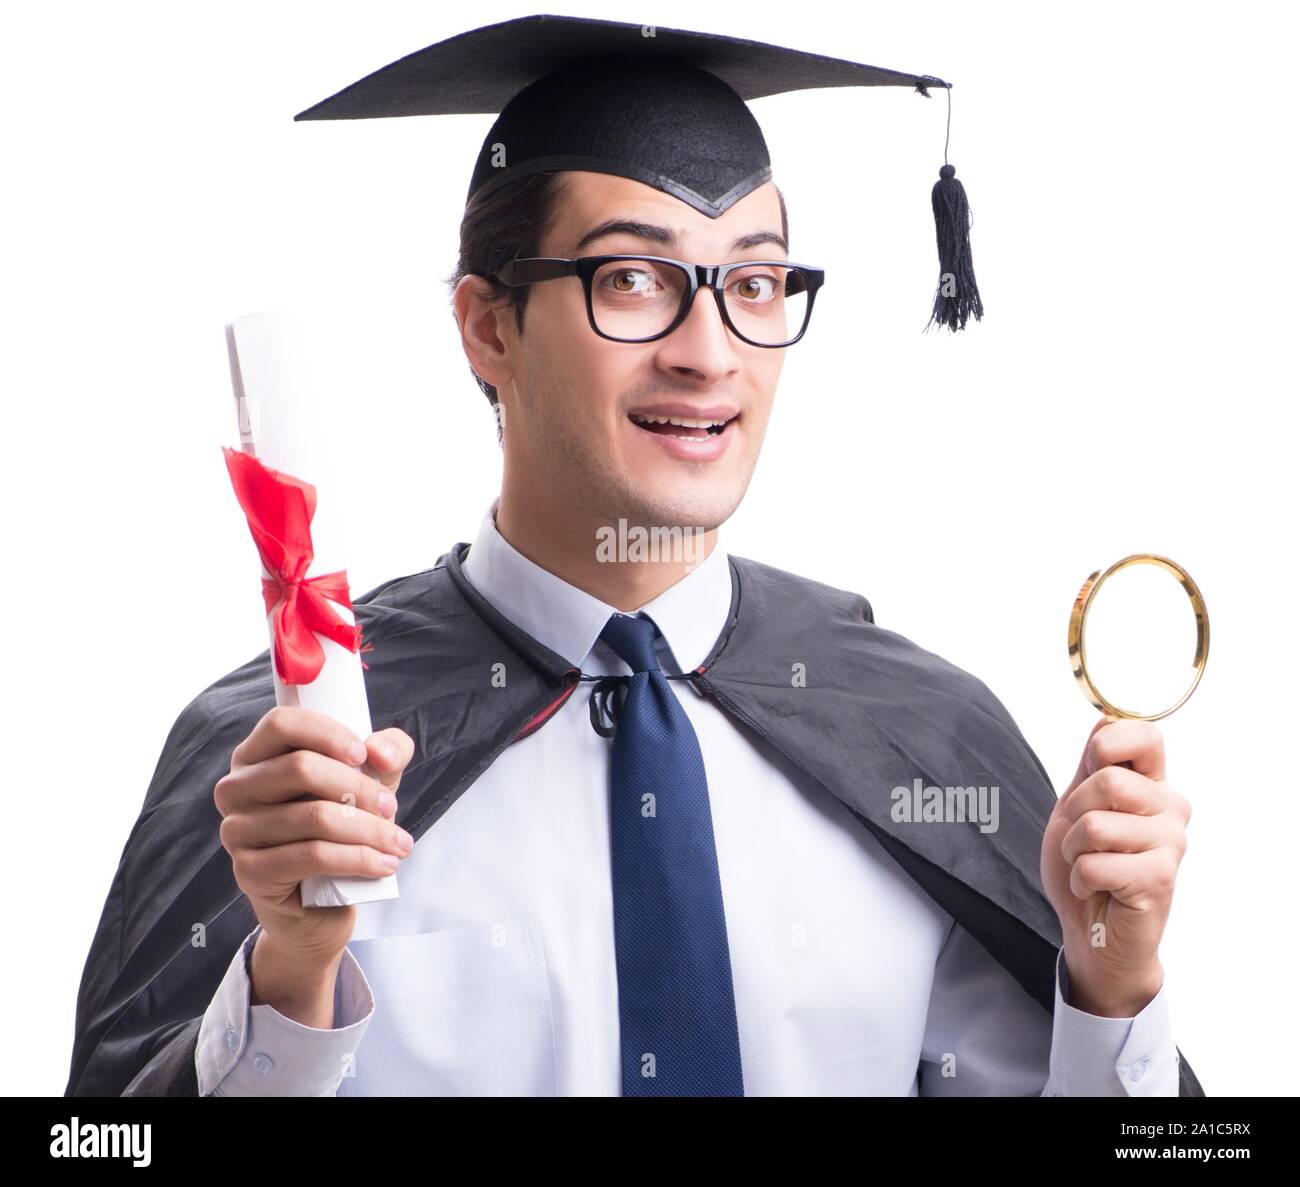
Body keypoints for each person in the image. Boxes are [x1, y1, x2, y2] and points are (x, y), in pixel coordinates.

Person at [65, 14, 1202, 1097]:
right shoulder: (293, 763)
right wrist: (290, 975)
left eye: (754, 284)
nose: (708, 352)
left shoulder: (917, 732)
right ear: (487, 326)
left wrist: (1110, 987)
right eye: (633, 280)